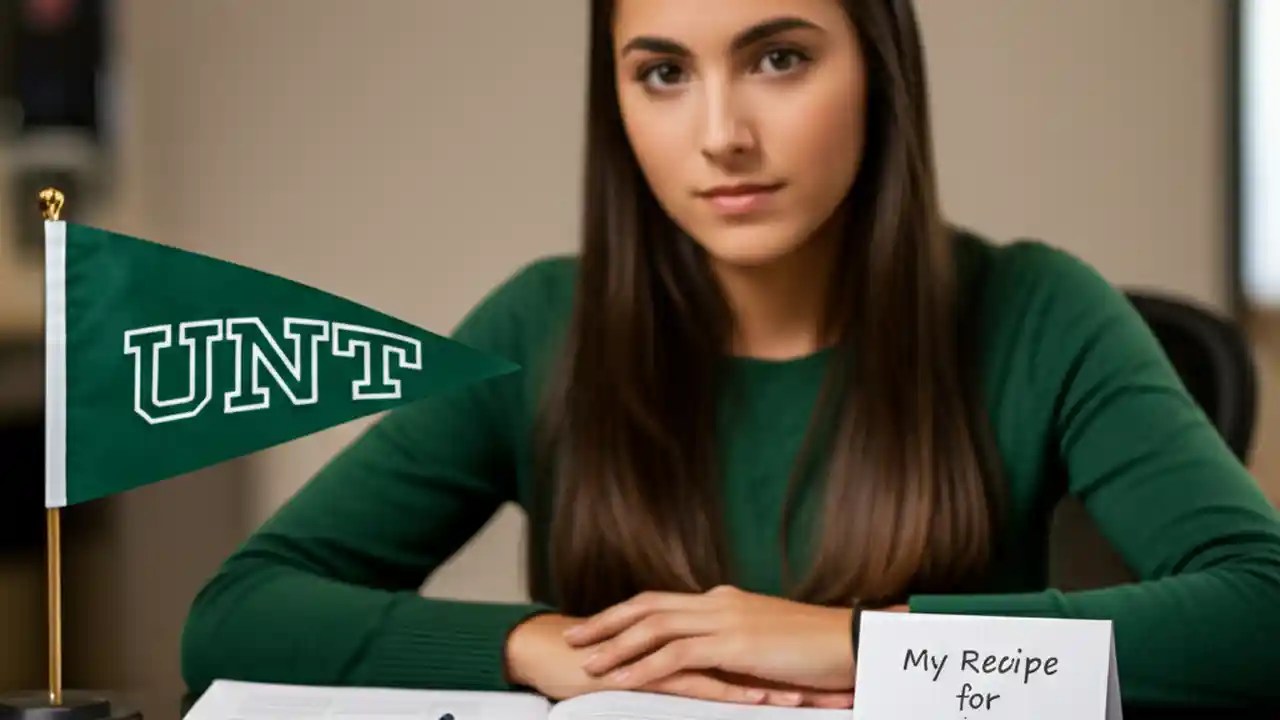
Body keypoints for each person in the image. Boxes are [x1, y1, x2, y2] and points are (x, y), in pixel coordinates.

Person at [180, 0, 1280, 710]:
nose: (719, 134)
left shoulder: (1036, 309)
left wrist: (856, 648)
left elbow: (1260, 615)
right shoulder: (541, 326)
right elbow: (237, 615)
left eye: (778, 58)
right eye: (661, 73)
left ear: (878, 69)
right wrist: (542, 648)